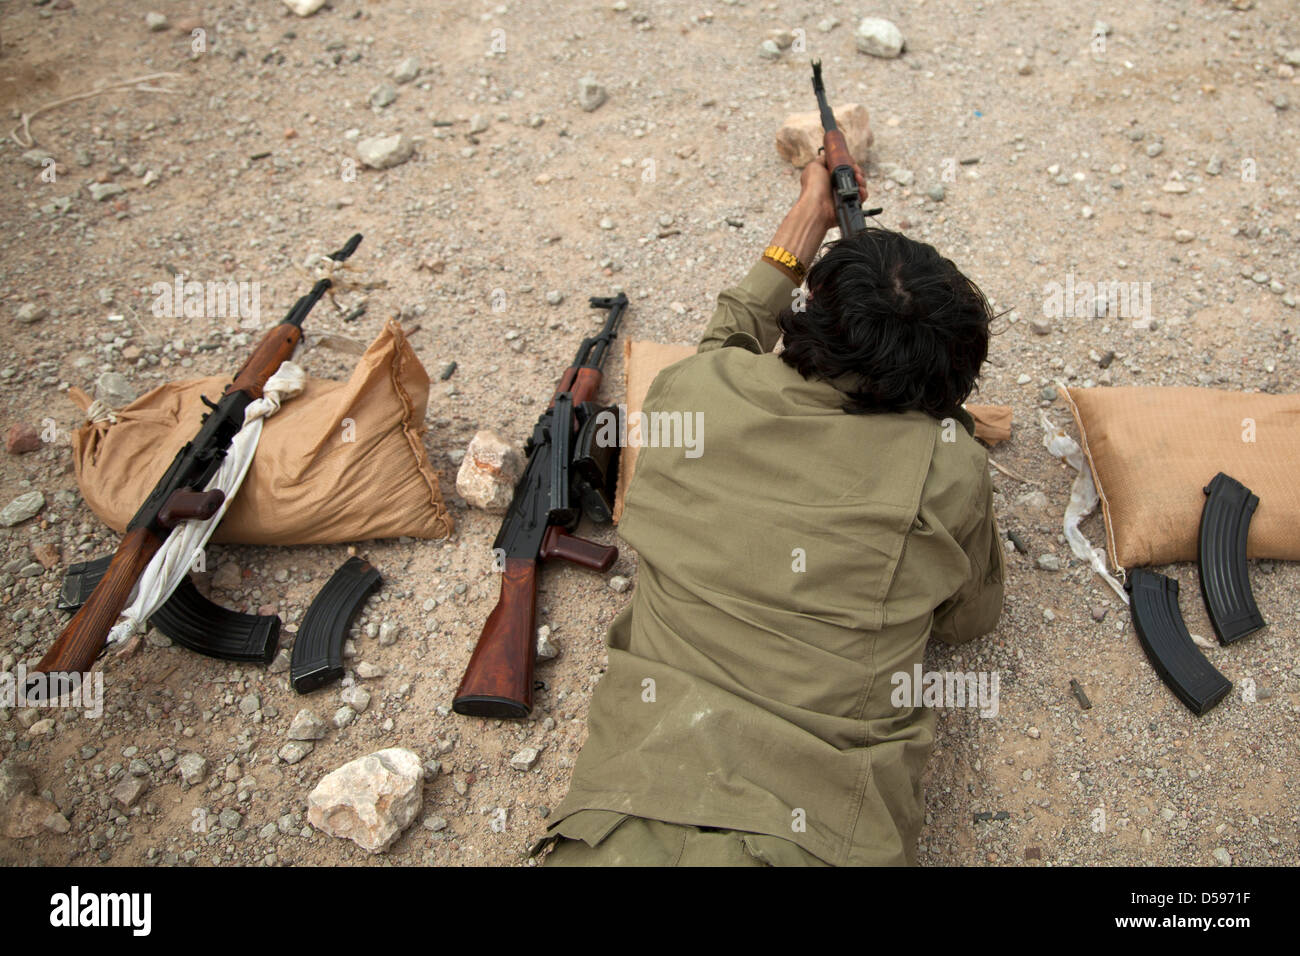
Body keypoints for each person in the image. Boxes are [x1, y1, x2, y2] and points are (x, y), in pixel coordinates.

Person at [538, 155, 1006, 866]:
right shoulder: (949, 467)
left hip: (625, 814)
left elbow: (727, 341)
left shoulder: (691, 396)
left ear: (807, 318)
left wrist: (809, 218)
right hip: (819, 835)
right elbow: (970, 619)